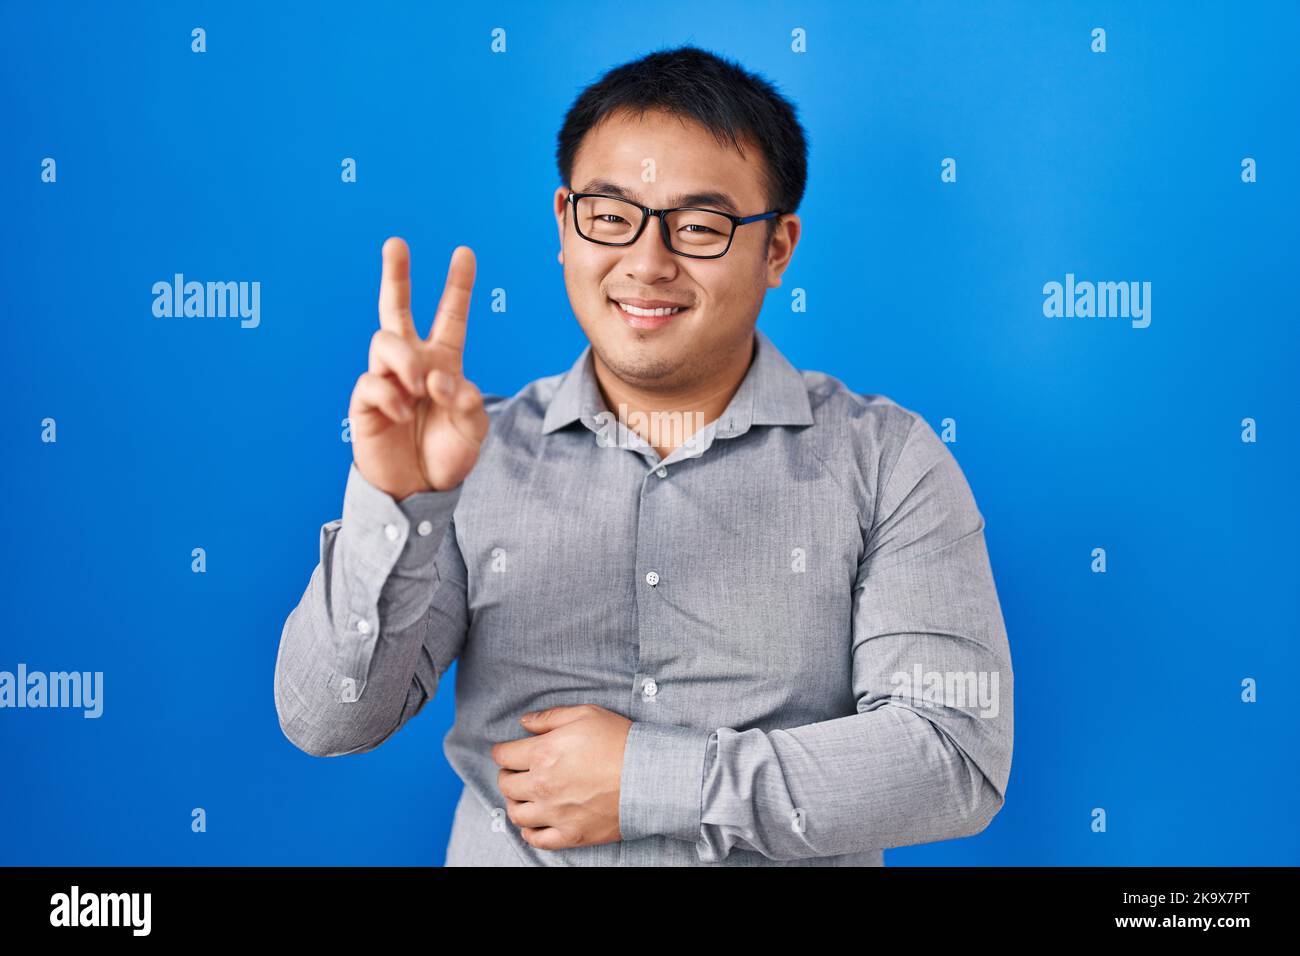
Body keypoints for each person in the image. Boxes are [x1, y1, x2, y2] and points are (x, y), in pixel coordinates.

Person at [274, 44, 1013, 866]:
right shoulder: (465, 455)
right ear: (564, 224)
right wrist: (398, 503)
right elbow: (328, 719)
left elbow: (953, 758)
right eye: (612, 216)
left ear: (777, 250)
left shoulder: (888, 463)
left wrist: (652, 779)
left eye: (699, 226)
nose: (647, 263)